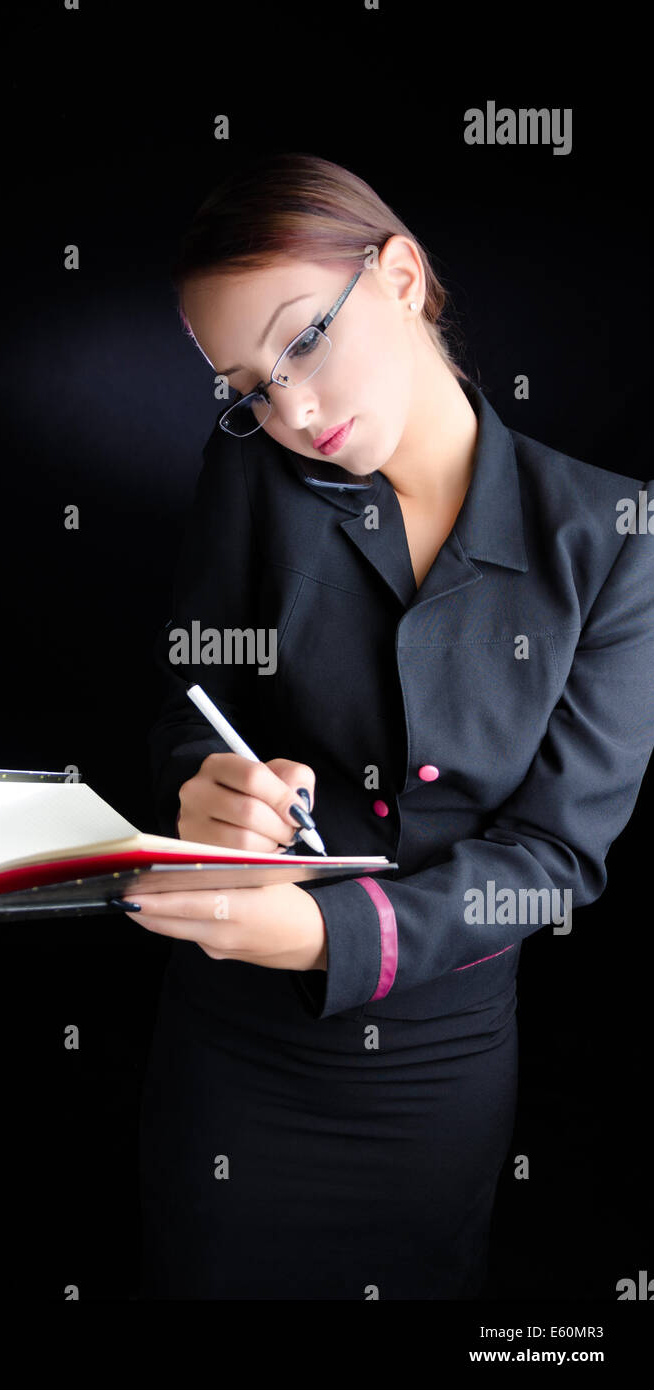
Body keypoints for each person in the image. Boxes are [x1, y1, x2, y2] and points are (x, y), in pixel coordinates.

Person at [125, 152, 654, 1300]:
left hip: (436, 1061)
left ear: (403, 275)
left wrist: (332, 940)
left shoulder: (611, 537)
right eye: (248, 385)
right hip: (235, 1044)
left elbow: (556, 856)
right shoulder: (252, 473)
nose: (291, 409)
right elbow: (192, 696)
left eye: (302, 341)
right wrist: (209, 781)